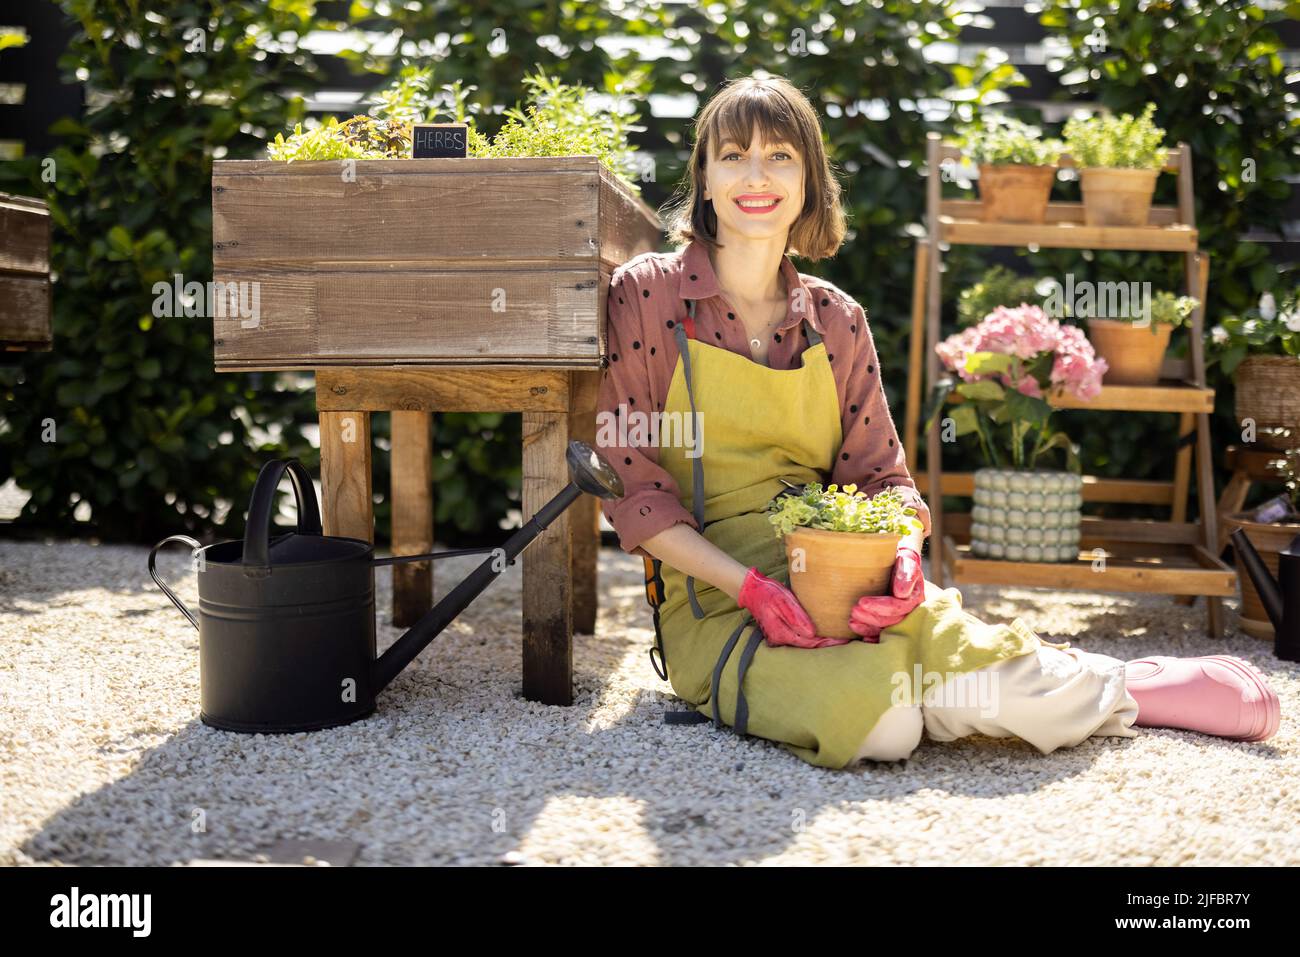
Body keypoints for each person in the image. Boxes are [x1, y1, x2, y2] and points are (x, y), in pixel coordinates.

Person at [596, 75, 1280, 769]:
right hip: (717, 602)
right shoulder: (648, 295)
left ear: (807, 183)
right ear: (704, 179)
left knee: (932, 676)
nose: (756, 175)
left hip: (842, 580)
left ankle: (1137, 687)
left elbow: (885, 481)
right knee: (883, 726)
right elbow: (635, 492)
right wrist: (752, 587)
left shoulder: (837, 320)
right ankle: (1034, 684)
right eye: (733, 155)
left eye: (780, 157)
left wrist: (898, 561)